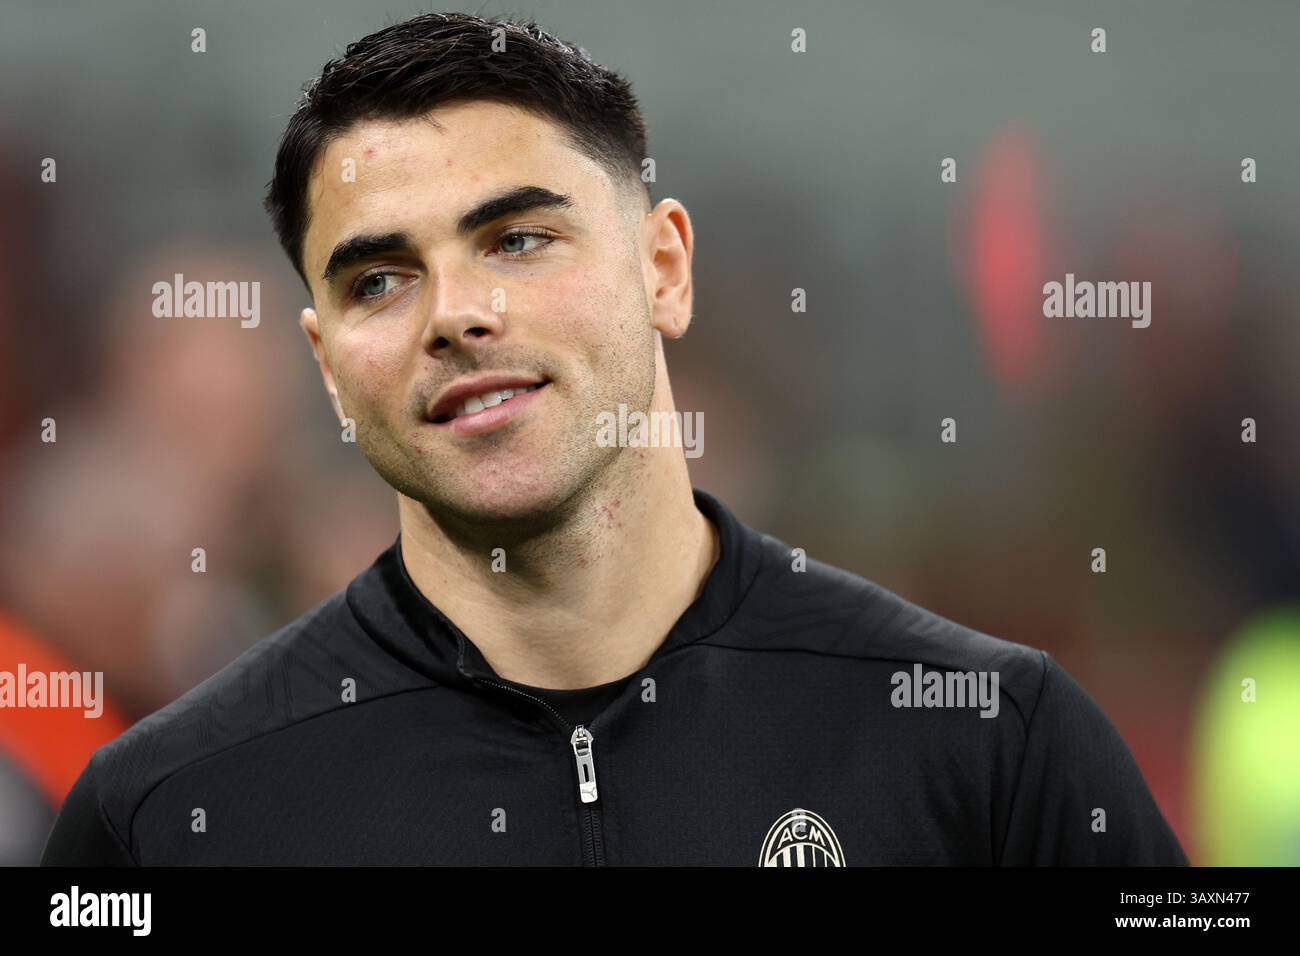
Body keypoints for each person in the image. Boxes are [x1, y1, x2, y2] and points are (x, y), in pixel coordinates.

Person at [40, 11, 1187, 866]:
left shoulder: (993, 741)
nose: (456, 315)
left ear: (663, 267)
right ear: (327, 364)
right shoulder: (163, 813)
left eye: (519, 239)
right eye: (380, 278)